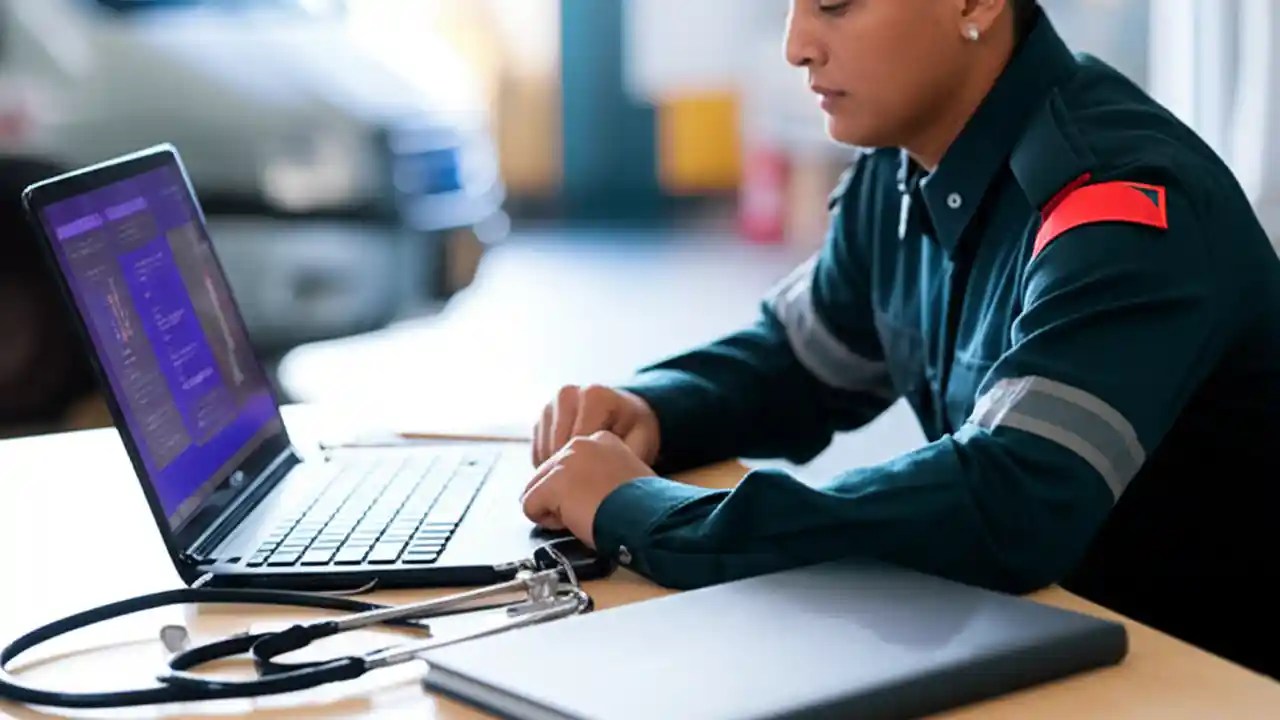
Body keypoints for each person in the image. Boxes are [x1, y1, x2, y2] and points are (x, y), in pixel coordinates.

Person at [521, 0, 1280, 679]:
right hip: (1058, 645)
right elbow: (803, 359)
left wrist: (649, 515)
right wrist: (654, 408)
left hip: (1206, 679)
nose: (796, 45)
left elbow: (1007, 498)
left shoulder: (1118, 206)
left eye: (834, 5)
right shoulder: (905, 167)